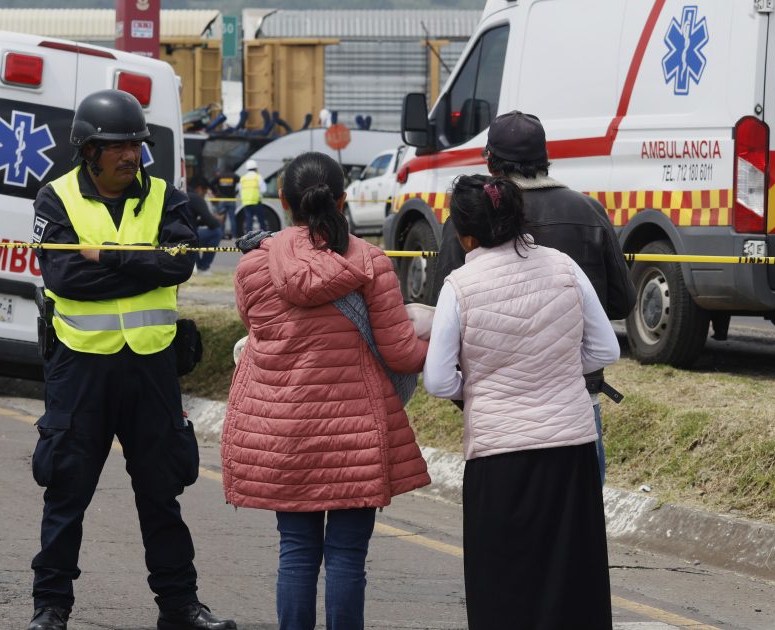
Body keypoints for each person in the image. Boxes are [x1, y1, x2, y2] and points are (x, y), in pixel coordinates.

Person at [28, 89, 236, 630]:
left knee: (161, 494)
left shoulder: (168, 197)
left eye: (137, 145)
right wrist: (141, 264)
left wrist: (109, 257)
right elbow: (65, 276)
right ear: (89, 150)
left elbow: (179, 267)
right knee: (66, 492)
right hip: (82, 367)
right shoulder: (56, 199)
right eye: (118, 146)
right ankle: (50, 608)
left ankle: (180, 608)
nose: (131, 155)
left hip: (152, 368)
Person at [222, 151, 431, 630]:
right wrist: (442, 347)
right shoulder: (368, 260)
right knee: (346, 557)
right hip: (354, 435)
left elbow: (257, 332)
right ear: (342, 200)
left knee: (295, 554)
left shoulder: (252, 267)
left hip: (285, 433)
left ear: (283, 200)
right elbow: (399, 353)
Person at [423, 174, 619, 629]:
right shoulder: (564, 267)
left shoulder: (460, 285)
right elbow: (606, 350)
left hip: (500, 456)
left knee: (505, 584)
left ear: (465, 234)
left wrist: (477, 387)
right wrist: (562, 368)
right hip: (570, 449)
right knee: (571, 580)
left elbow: (437, 379)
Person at [432, 110, 634, 485]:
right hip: (574, 406)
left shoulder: (468, 220)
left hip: (496, 418)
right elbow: (621, 303)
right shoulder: (588, 210)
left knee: (508, 537)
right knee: (574, 531)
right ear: (545, 157)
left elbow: (441, 311)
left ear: (489, 162)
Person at [188, 176, 223, 274]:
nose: (204, 196)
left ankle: (197, 265)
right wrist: (217, 219)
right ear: (199, 189)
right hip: (188, 238)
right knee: (217, 232)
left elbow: (190, 221)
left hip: (178, 235)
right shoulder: (196, 198)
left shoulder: (181, 192)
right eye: (204, 192)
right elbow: (212, 223)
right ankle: (204, 267)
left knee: (194, 233)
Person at [238, 159, 267, 232]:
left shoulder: (243, 178)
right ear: (256, 168)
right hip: (256, 201)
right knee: (261, 220)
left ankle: (248, 237)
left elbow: (240, 190)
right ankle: (265, 236)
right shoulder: (258, 177)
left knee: (249, 221)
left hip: (246, 202)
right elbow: (264, 190)